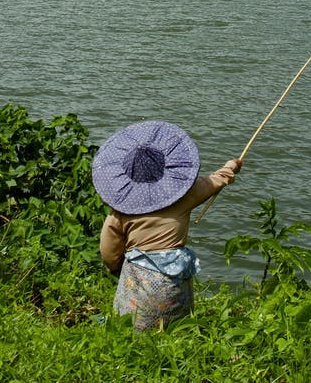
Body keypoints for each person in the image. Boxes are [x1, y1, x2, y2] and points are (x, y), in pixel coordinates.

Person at [92, 120, 241, 331]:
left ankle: (132, 331)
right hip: (174, 282)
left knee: (131, 321)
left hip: (138, 281)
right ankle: (177, 329)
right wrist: (231, 166)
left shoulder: (121, 212)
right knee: (177, 324)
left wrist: (115, 267)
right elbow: (215, 181)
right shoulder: (184, 196)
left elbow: (109, 251)